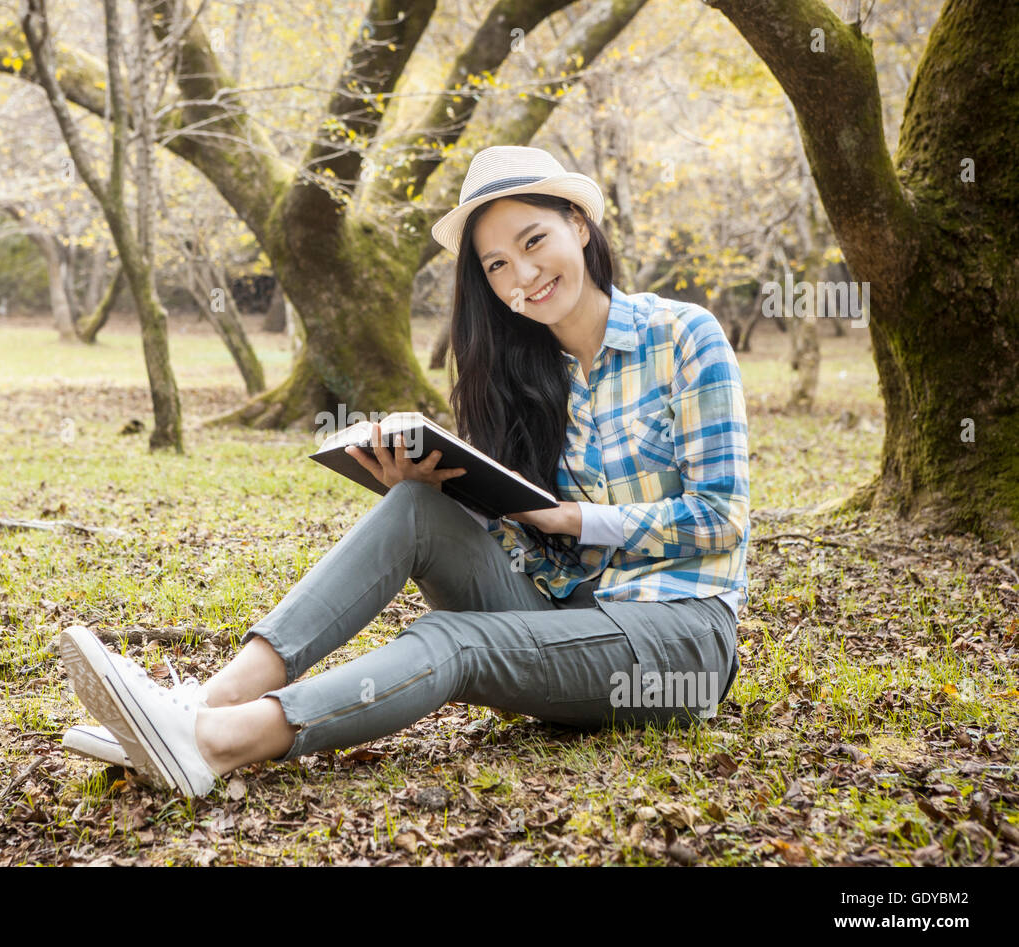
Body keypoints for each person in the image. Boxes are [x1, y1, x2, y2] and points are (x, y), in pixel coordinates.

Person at [56, 145, 750, 798]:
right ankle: (201, 703)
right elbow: (533, 549)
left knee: (453, 641)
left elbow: (723, 518)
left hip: (678, 642)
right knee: (416, 507)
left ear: (579, 224)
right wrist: (448, 496)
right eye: (497, 265)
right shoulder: (525, 377)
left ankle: (216, 743)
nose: (523, 276)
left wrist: (572, 518)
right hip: (566, 621)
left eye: (534, 242)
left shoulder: (684, 337)